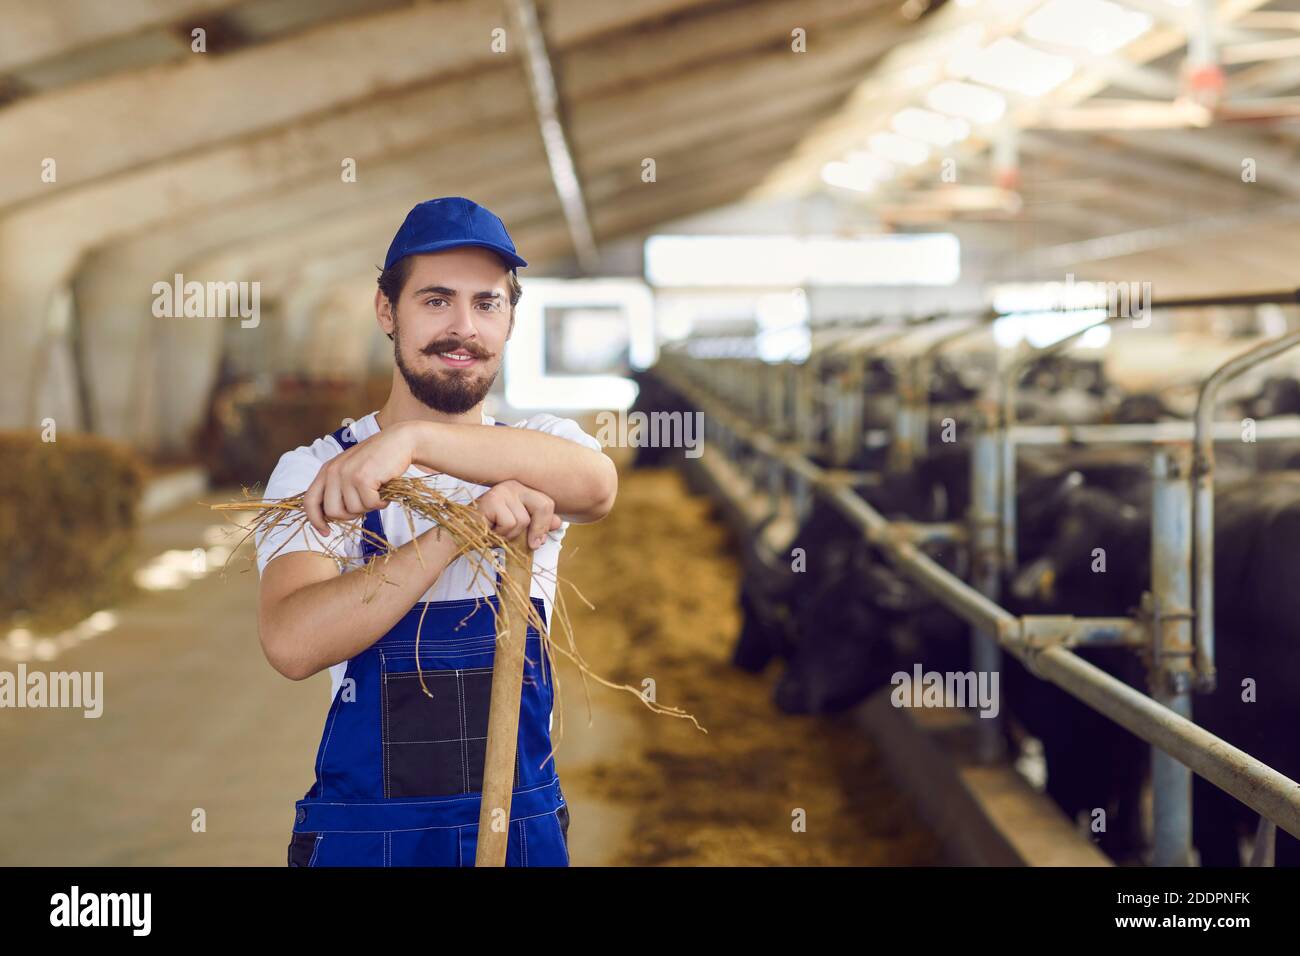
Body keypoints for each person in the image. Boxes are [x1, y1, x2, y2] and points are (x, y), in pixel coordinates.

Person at [254, 197, 617, 866]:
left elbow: (597, 488)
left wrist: (414, 439)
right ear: (387, 311)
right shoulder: (317, 471)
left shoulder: (544, 446)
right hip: (370, 838)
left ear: (511, 317)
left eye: (487, 303)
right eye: (436, 301)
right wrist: (464, 526)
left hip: (518, 828)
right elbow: (294, 643)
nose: (464, 328)